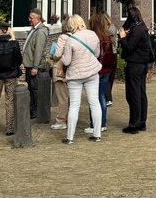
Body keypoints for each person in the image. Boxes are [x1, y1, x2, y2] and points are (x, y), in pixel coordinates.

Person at [59, 14, 103, 144]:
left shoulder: (70, 40)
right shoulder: (92, 35)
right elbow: (97, 53)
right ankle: (97, 134)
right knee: (94, 103)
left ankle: (70, 137)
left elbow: (66, 62)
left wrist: (61, 57)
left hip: (75, 76)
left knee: (74, 105)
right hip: (92, 73)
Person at [120, 5, 153, 134]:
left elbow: (129, 47)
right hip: (142, 65)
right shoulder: (142, 29)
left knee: (133, 94)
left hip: (134, 65)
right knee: (141, 93)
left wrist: (123, 37)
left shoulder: (137, 30)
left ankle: (133, 125)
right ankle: (141, 122)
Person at [88, 11, 116, 133]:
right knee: (102, 96)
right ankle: (103, 123)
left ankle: (95, 125)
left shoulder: (95, 38)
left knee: (93, 98)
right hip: (107, 70)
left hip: (96, 71)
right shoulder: (108, 38)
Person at [20, 8, 49, 117]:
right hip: (30, 65)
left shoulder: (41, 31)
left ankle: (35, 111)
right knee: (31, 89)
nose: (29, 19)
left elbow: (38, 50)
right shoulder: (34, 29)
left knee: (35, 89)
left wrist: (35, 67)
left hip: (34, 66)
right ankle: (32, 109)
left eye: (31, 18)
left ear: (38, 19)